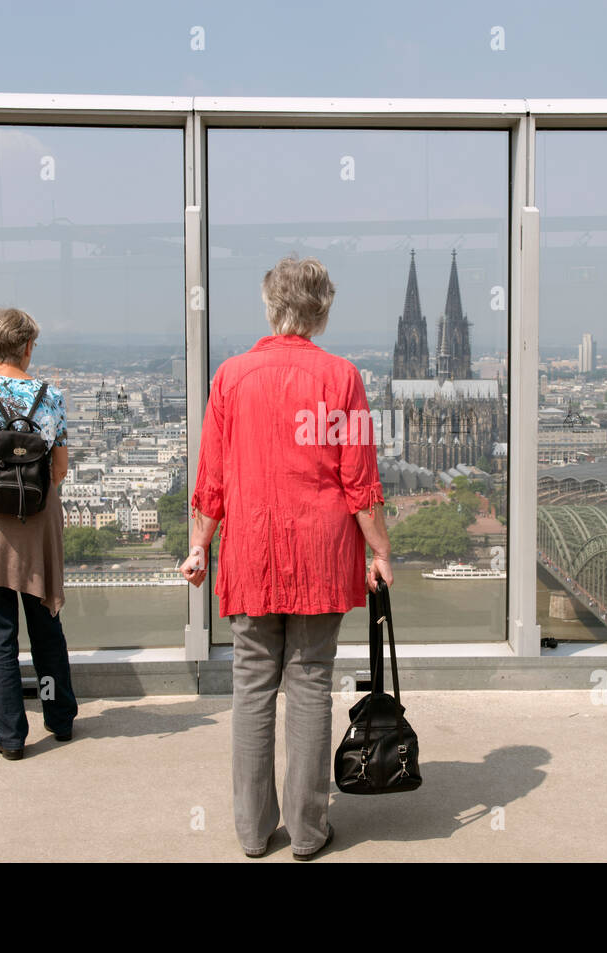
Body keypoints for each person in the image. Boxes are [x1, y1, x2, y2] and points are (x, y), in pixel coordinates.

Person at [181, 255, 392, 860]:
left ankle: (253, 832)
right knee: (309, 683)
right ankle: (307, 831)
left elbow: (212, 480)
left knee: (250, 688)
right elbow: (359, 482)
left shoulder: (230, 377)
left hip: (250, 552)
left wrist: (199, 546)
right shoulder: (342, 379)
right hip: (321, 555)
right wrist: (379, 552)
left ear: (271, 307)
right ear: (321, 311)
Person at [0, 307, 77, 761]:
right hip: (38, 522)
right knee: (46, 626)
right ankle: (60, 718)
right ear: (27, 347)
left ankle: (10, 736)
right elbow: (59, 469)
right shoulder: (52, 396)